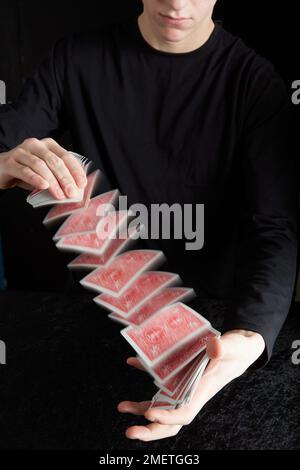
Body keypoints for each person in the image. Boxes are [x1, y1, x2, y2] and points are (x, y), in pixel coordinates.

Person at [0, 0, 297, 442]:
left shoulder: (256, 84)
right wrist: (5, 164)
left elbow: (277, 227)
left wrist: (250, 337)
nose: (177, 2)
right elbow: (6, 144)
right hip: (91, 310)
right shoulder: (75, 58)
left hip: (213, 318)